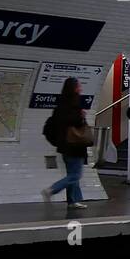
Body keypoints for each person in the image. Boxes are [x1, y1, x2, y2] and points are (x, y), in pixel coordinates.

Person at [41, 77, 90, 209]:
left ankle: (73, 201)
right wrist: (82, 116)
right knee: (75, 175)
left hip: (64, 146)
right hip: (74, 145)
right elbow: (76, 123)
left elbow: (55, 124)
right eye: (79, 86)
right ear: (74, 88)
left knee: (72, 173)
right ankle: (51, 190)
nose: (81, 88)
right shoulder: (73, 106)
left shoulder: (60, 105)